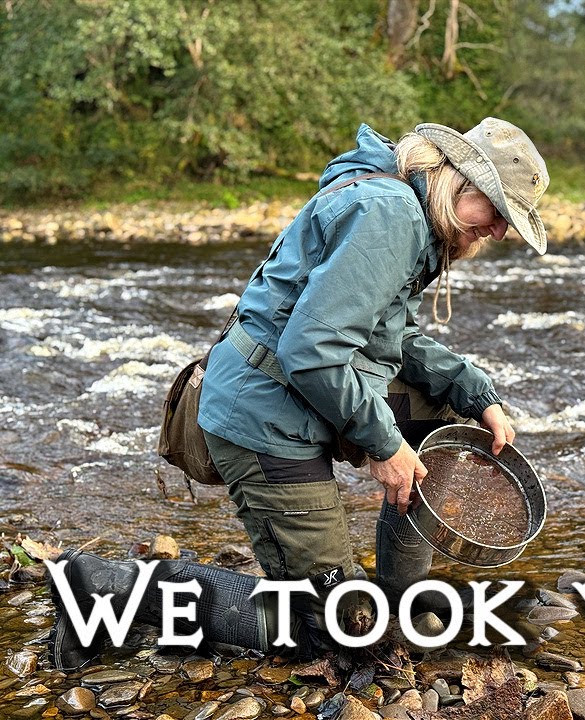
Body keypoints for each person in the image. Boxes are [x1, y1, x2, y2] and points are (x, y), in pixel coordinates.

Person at [48, 118, 550, 669]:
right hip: (265, 414)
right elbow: (312, 350)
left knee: (450, 414)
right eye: (498, 213)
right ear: (460, 181)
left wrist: (477, 393)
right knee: (333, 629)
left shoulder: (409, 205)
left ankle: (399, 606)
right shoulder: (391, 215)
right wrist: (385, 447)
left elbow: (389, 334)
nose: (501, 232)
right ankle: (102, 586)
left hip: (304, 394)